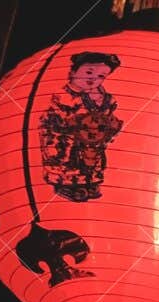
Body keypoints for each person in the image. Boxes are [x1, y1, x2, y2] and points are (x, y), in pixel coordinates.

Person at [39, 52, 122, 202]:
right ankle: (67, 185)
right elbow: (53, 119)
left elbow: (109, 115)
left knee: (92, 160)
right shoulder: (64, 96)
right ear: (72, 72)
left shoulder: (105, 98)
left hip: (92, 137)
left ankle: (90, 183)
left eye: (101, 76)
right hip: (67, 137)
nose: (93, 78)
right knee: (68, 159)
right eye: (88, 72)